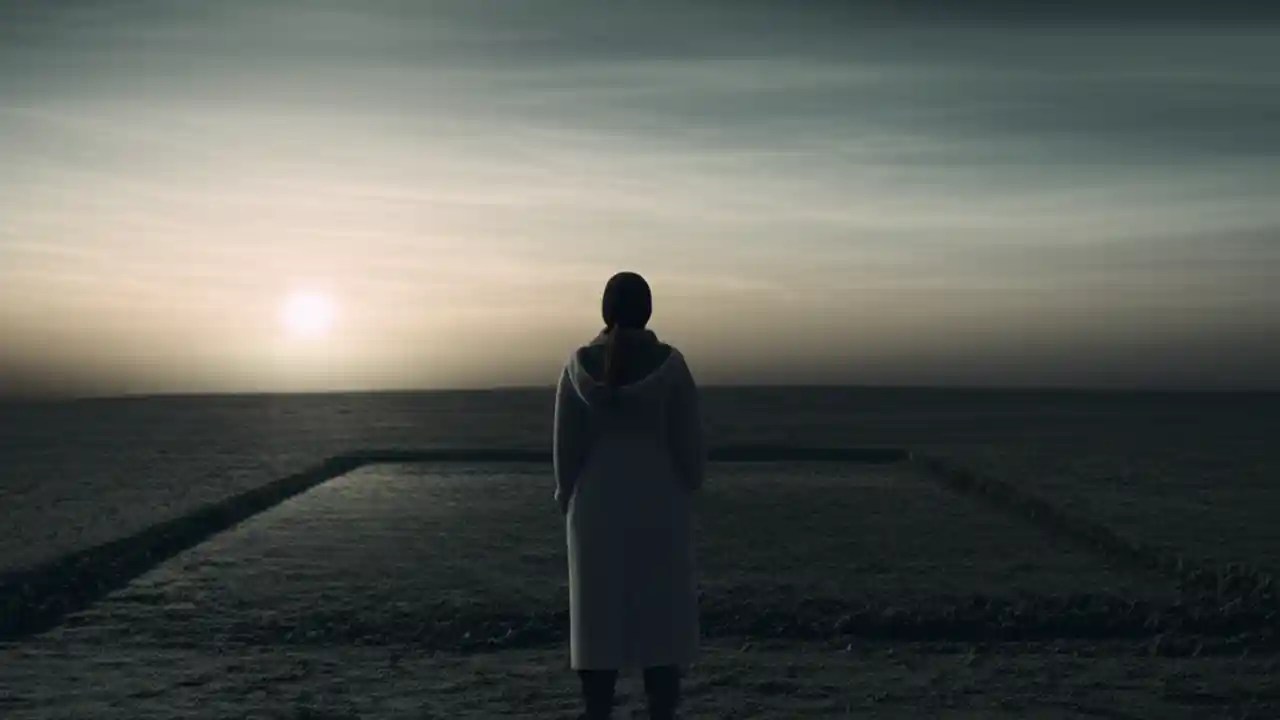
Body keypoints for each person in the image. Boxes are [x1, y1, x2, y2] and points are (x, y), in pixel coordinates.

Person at [553, 271, 706, 720]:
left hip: (595, 507)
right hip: (658, 503)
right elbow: (689, 448)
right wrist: (688, 484)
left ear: (605, 310)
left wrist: (567, 498)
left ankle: (597, 710)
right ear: (647, 309)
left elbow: (566, 454)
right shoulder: (672, 366)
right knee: (660, 624)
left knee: (598, 624)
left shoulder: (576, 367)